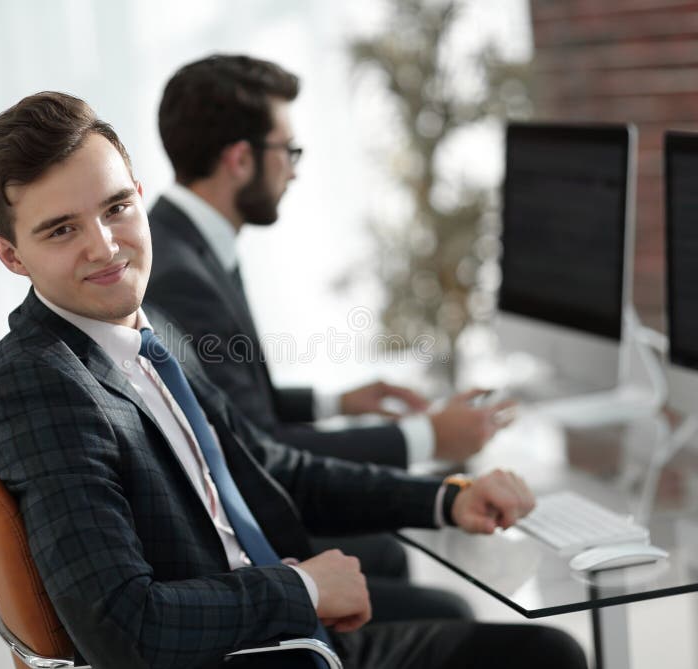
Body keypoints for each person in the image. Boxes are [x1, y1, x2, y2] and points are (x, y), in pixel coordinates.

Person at [0, 91, 586, 669]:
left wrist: (445, 498)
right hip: (252, 652)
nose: (105, 248)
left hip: (273, 625)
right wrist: (303, 588)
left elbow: (269, 465)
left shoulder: (143, 324)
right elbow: (122, 627)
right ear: (11, 255)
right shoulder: (40, 383)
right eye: (61, 229)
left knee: (505, 636)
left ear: (138, 193)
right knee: (549, 654)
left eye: (115, 209)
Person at [144, 54, 512, 609]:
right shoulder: (181, 276)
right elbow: (260, 449)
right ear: (240, 159)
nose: (293, 169)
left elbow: (232, 408)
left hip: (245, 498)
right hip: (240, 547)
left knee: (389, 552)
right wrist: (431, 437)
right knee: (450, 602)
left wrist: (336, 400)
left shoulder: (184, 243)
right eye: (288, 150)